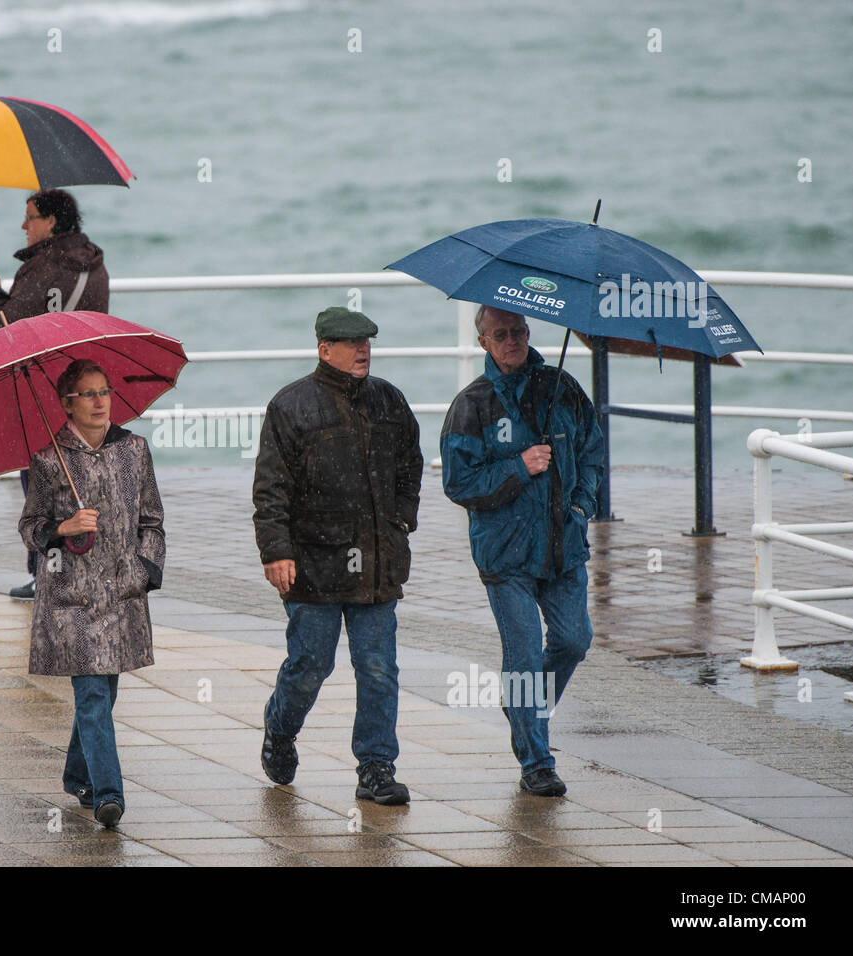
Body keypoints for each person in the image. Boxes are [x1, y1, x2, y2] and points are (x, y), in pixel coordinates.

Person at [252, 306, 423, 805]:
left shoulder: (390, 400)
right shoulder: (291, 406)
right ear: (325, 349)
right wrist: (276, 551)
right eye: (351, 344)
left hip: (377, 561)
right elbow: (271, 489)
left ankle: (376, 767)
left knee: (378, 668)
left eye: (367, 342)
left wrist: (403, 517)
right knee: (310, 665)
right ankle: (280, 729)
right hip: (313, 563)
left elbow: (411, 463)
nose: (363, 350)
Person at [440, 306, 605, 797]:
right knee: (525, 656)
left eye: (517, 332)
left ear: (529, 333)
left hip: (564, 547)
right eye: (499, 335)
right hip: (505, 553)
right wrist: (519, 466)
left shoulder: (563, 389)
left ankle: (523, 709)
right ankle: (537, 761)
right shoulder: (472, 405)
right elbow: (458, 482)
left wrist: (581, 506)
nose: (511, 341)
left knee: (574, 639)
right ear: (483, 342)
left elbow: (594, 453)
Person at [18, 358, 164, 828]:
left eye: (105, 392)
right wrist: (62, 527)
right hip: (72, 601)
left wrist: (145, 569)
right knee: (93, 696)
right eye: (89, 394)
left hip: (121, 597)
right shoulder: (46, 460)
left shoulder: (135, 449)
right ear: (67, 404)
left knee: (107, 691)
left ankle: (77, 774)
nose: (101, 401)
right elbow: (29, 526)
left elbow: (153, 521)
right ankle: (108, 794)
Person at [0, 189, 110, 601]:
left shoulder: (46, 266)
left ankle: (46, 574)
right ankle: (83, 565)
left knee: (38, 480)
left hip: (43, 387)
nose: (24, 225)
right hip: (83, 384)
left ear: (52, 221)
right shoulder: (93, 262)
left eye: (30, 217)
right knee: (78, 478)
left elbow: (10, 326)